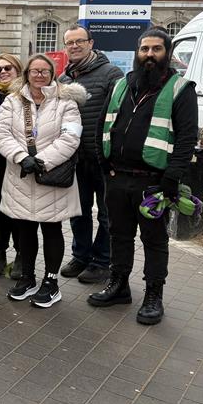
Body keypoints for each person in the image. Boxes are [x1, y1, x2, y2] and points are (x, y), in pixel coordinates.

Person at [88, 28, 198, 325]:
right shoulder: (122, 85)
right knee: (118, 234)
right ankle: (119, 284)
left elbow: (187, 138)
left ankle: (153, 295)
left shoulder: (180, 89)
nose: (149, 54)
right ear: (138, 52)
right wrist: (104, 165)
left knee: (154, 239)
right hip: (118, 176)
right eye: (145, 49)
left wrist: (170, 179)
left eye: (156, 49)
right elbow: (102, 125)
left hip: (153, 182)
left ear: (167, 52)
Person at [0, 54, 85, 307]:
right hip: (20, 176)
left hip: (51, 178)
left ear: (53, 74)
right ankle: (27, 277)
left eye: (45, 71)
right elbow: (0, 133)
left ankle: (51, 282)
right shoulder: (12, 101)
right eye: (34, 71)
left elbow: (70, 138)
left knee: (52, 229)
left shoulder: (66, 102)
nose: (39, 75)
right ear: (27, 73)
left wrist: (41, 161)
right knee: (25, 230)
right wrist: (22, 157)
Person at [58, 24, 124, 284]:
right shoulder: (63, 80)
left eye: (79, 41)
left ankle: (101, 260)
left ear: (91, 43)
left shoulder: (111, 74)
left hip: (104, 159)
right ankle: (81, 255)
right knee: (78, 211)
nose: (74, 46)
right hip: (76, 159)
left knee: (107, 213)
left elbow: (120, 116)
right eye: (69, 42)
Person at [0, 53, 23, 279]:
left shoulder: (27, 95)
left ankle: (21, 255)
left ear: (18, 71)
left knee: (19, 212)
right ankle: (0, 252)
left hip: (19, 162)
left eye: (8, 68)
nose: (3, 72)